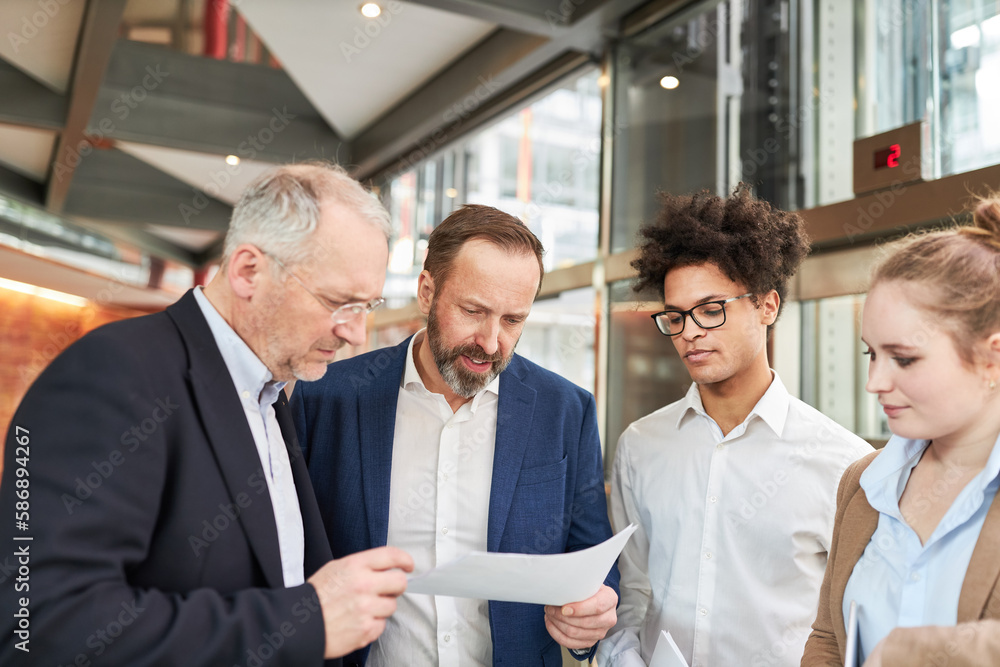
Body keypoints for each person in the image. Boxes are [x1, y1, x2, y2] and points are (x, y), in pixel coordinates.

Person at [0, 162, 414, 666]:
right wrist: (300, 621)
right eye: (338, 302)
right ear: (247, 271)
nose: (356, 334)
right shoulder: (113, 372)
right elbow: (40, 624)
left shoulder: (271, 395)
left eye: (367, 305)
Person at [291, 204, 619, 666]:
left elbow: (594, 566)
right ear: (427, 292)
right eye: (473, 311)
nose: (490, 341)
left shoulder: (565, 410)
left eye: (512, 320)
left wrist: (591, 620)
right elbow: (291, 557)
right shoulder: (327, 398)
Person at [598, 186, 873, 667]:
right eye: (675, 316)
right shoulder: (640, 447)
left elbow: (853, 623)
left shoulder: (842, 462)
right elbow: (632, 591)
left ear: (767, 306)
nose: (690, 333)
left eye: (710, 309)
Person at [802, 198, 1000, 666]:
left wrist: (919, 653)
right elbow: (829, 637)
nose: (875, 383)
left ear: (992, 356)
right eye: (871, 354)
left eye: (904, 358)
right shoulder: (863, 483)